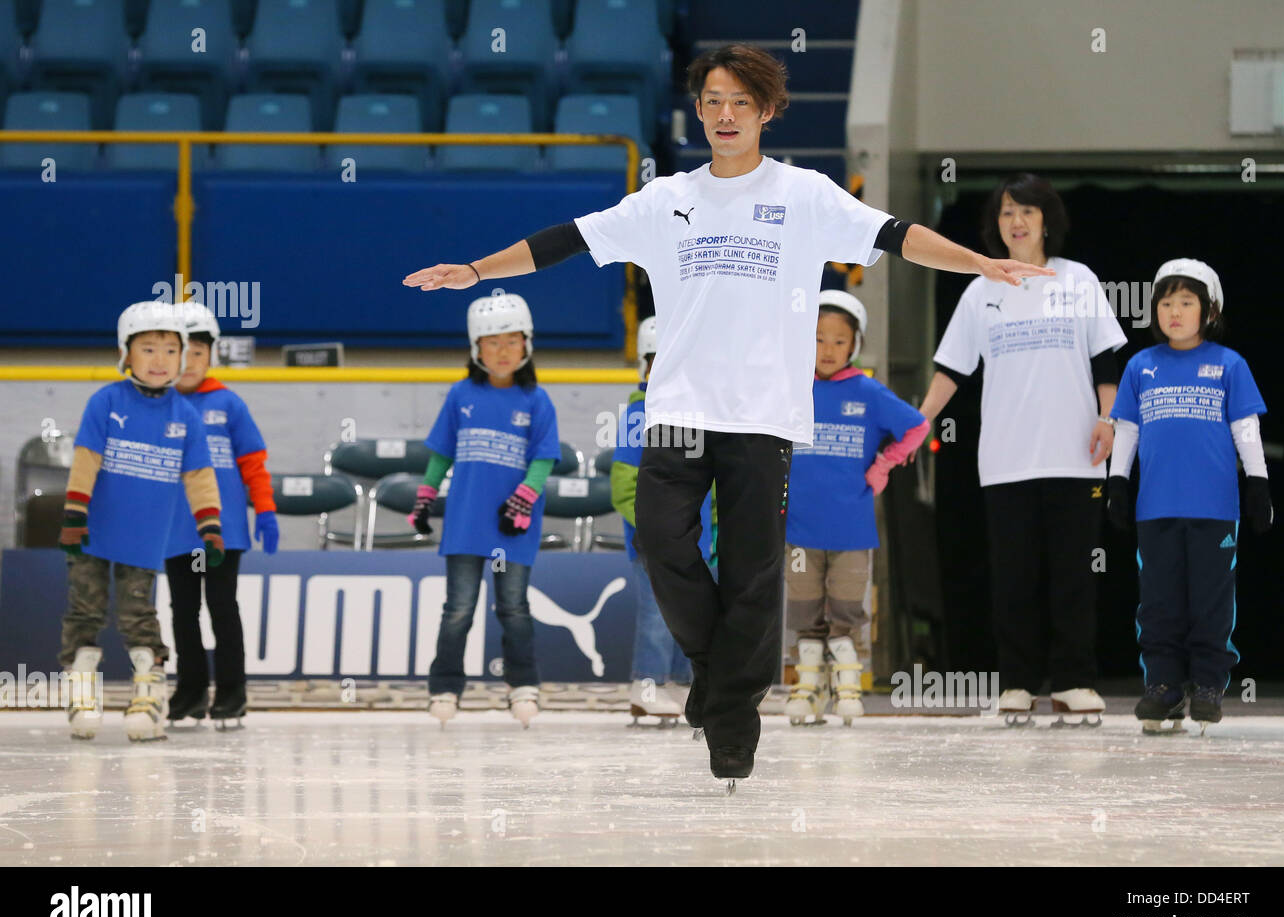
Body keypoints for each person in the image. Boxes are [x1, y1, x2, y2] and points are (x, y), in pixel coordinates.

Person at [405, 45, 1050, 783]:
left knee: (752, 571)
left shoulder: (805, 195)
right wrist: (477, 270)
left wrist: (982, 262)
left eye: (740, 102)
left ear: (767, 112)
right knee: (660, 538)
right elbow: (568, 240)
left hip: (765, 415)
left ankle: (732, 723)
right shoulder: (665, 199)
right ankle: (716, 674)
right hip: (677, 407)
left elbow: (895, 236)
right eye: (712, 101)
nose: (724, 114)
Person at [917, 173, 1125, 726]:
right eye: (1007, 211)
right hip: (1006, 460)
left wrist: (1108, 418)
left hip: (1075, 456)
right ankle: (1016, 684)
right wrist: (919, 421)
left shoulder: (1078, 280)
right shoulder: (981, 289)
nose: (1016, 221)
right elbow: (952, 369)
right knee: (1012, 577)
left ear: (1046, 221)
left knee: (1074, 575)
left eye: (1027, 211)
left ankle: (1075, 681)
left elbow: (1107, 361)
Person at [1107, 259, 1270, 733]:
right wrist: (1118, 481)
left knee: (1210, 599)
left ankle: (1206, 683)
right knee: (1158, 601)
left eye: (1186, 302)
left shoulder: (1229, 364)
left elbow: (1246, 428)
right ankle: (1162, 685)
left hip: (1214, 509)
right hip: (1155, 508)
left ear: (1209, 310)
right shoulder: (1141, 366)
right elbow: (1128, 429)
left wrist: (1257, 483)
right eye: (1165, 302)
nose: (1174, 311)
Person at [59, 301, 225, 742]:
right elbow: (86, 459)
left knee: (139, 616)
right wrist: (74, 513)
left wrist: (210, 526)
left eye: (172, 350)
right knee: (84, 610)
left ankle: (149, 698)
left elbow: (199, 476)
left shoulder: (185, 415)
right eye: (148, 349)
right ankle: (81, 693)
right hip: (93, 533)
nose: (161, 361)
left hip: (144, 538)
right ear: (125, 353)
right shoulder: (106, 401)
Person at [409, 291, 560, 729]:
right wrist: (425, 494)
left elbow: (544, 458)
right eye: (491, 343)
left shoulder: (537, 401)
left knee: (512, 607)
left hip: (513, 528)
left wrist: (524, 498)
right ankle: (445, 687)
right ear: (475, 348)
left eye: (511, 341)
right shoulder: (460, 395)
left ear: (526, 345)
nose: (501, 351)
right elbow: (441, 453)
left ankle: (523, 685)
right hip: (464, 525)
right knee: (458, 608)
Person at [784, 291, 927, 726]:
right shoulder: (788, 386)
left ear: (855, 345)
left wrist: (883, 465)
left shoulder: (868, 392)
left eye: (838, 341)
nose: (827, 350)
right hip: (798, 530)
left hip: (851, 529)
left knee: (847, 612)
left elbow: (917, 427)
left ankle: (848, 685)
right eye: (818, 338)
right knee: (804, 615)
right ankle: (807, 689)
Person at [162, 300, 278, 730]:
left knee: (223, 607)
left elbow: (253, 462)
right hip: (176, 530)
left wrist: (264, 511)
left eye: (198, 352)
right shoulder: (158, 404)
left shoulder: (228, 403)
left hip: (223, 532)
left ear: (212, 354)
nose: (189, 362)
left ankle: (232, 693)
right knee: (182, 611)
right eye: (180, 352)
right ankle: (190, 691)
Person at [610, 316, 715, 726]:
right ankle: (646, 686)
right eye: (660, 361)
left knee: (687, 615)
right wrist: (658, 529)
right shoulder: (639, 416)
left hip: (698, 544)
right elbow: (623, 486)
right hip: (653, 546)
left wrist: (717, 529)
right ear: (645, 365)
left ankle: (678, 685)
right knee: (656, 616)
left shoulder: (704, 420)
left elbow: (715, 487)